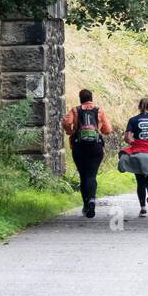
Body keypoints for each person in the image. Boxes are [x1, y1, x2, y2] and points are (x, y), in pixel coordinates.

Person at [62, 89, 112, 217]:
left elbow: (66, 122)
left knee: (83, 175)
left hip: (79, 147)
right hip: (96, 147)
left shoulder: (75, 110)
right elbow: (108, 130)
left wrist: (71, 131)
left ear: (80, 98)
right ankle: (92, 200)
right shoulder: (99, 110)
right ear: (91, 98)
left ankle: (85, 205)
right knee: (92, 175)